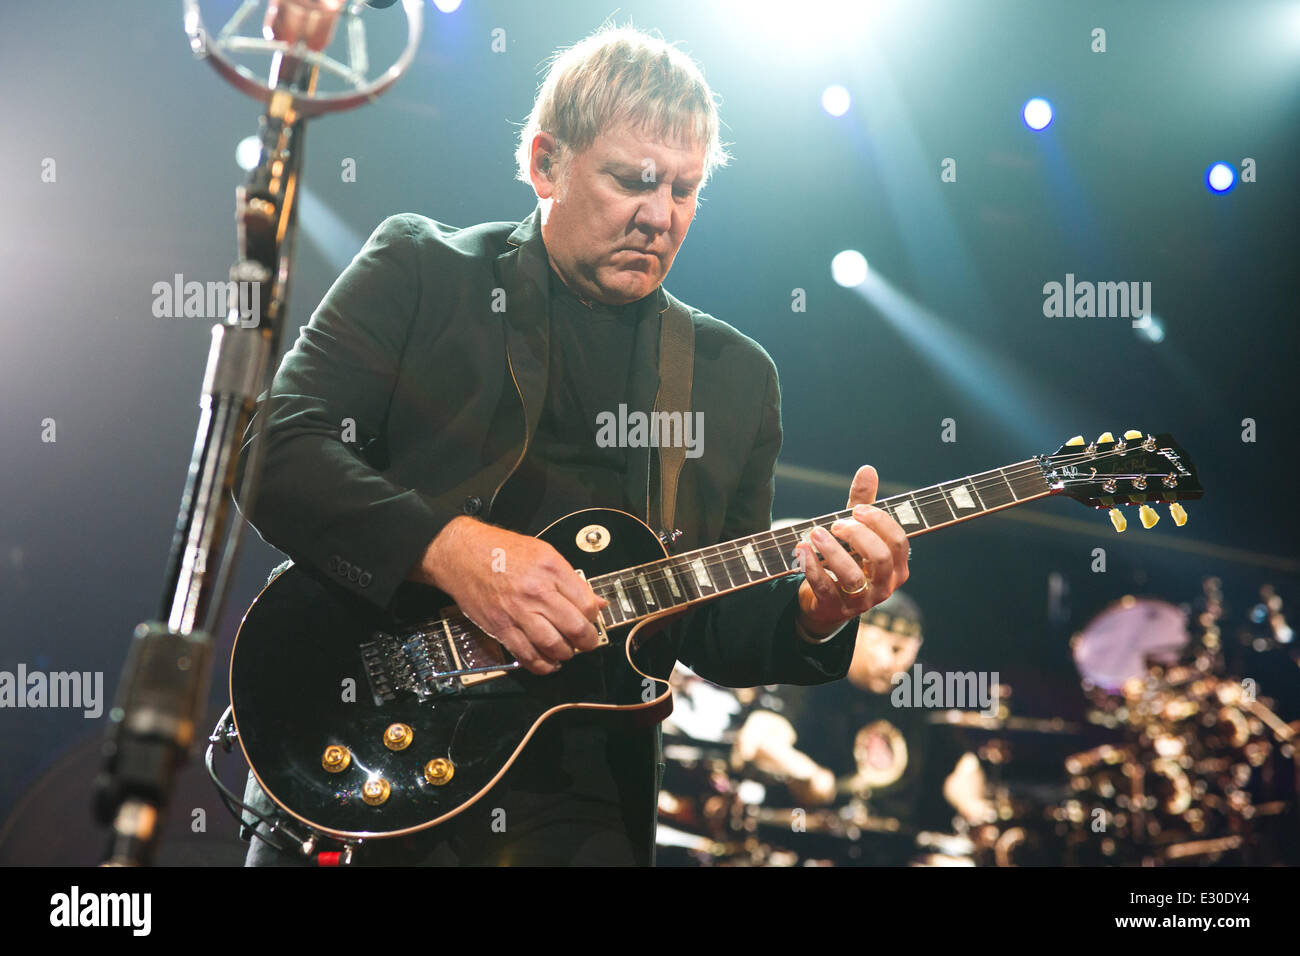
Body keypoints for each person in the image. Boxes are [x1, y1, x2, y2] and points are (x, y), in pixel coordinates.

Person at [233, 24, 909, 866]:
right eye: (635, 180)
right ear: (546, 162)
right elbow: (273, 453)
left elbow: (717, 630)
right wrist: (449, 551)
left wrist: (820, 611)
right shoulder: (423, 270)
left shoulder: (734, 377)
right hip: (365, 742)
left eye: (687, 191)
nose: (660, 216)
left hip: (585, 798)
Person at [732, 591, 994, 863]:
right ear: (854, 635)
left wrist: (975, 809)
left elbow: (960, 766)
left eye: (904, 650)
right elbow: (758, 738)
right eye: (884, 646)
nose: (890, 663)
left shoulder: (920, 686)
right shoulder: (814, 670)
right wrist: (808, 774)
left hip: (895, 846)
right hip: (811, 842)